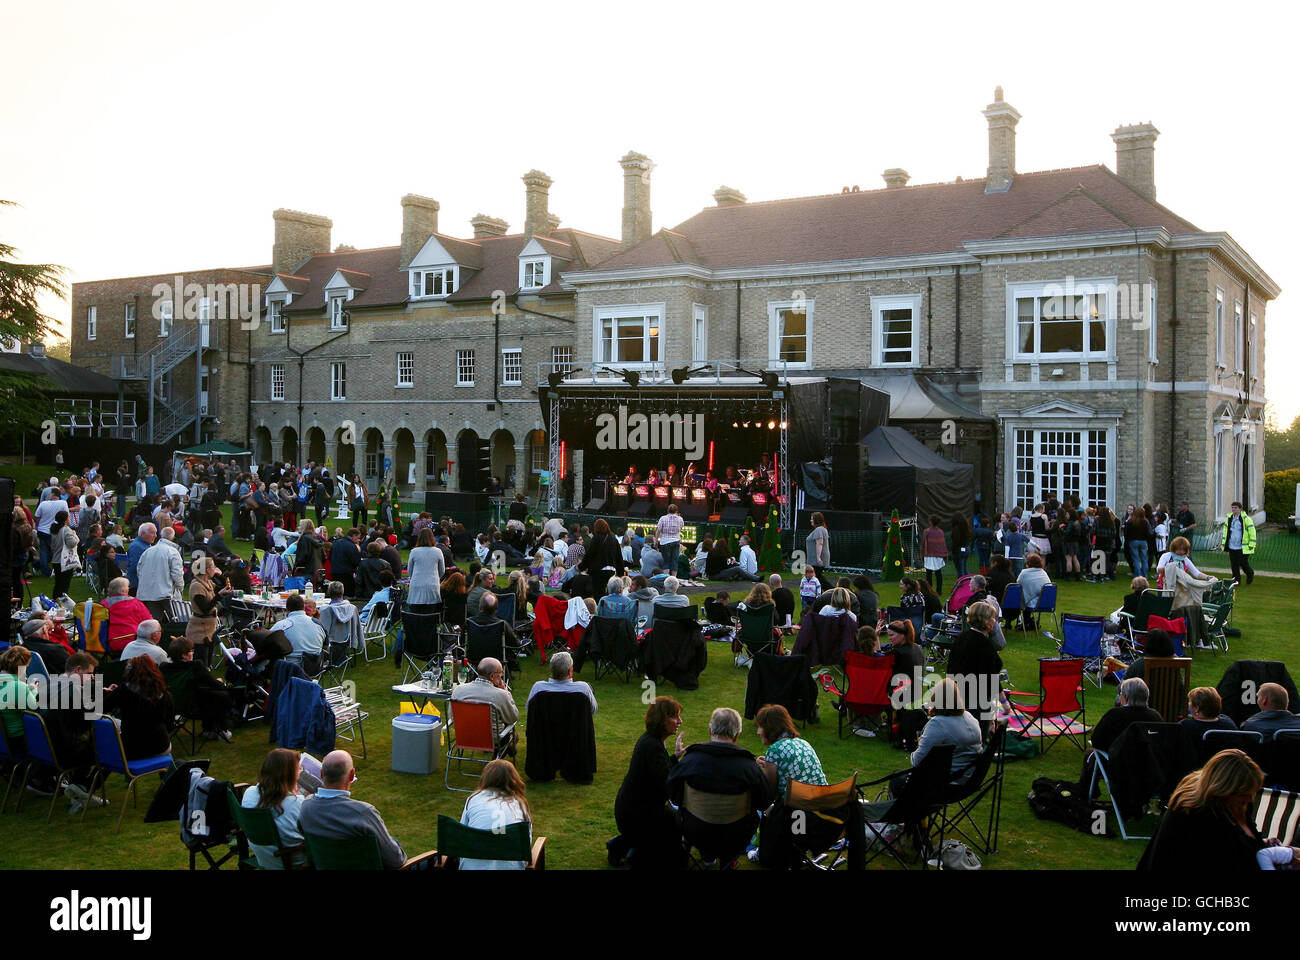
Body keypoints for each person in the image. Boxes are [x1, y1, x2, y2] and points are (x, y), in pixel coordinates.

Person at [1138, 750, 1292, 872]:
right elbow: (1229, 860)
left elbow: (1242, 847)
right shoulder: (1198, 818)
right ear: (1224, 790)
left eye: (1254, 792)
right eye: (1244, 795)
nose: (1251, 799)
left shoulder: (1235, 805)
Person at [666, 707, 772, 866]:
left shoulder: (690, 761)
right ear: (736, 736)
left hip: (695, 831)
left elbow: (673, 795)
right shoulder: (749, 768)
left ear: (710, 731)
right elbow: (764, 801)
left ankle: (708, 856)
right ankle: (728, 860)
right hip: (736, 835)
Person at [298, 750, 411, 870]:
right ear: (351, 775)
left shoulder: (306, 807)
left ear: (321, 774)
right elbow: (396, 860)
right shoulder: (363, 813)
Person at [612, 696, 686, 869]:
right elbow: (668, 785)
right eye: (675, 716)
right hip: (637, 816)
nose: (679, 721)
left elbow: (659, 773)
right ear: (662, 719)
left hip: (632, 810)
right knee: (679, 823)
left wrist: (674, 757)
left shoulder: (650, 741)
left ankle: (626, 847)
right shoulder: (652, 747)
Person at [1079, 677, 1163, 797]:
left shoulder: (1115, 715)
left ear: (1126, 697)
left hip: (1121, 767)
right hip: (1150, 768)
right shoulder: (1155, 716)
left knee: (1091, 753)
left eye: (1121, 694)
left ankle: (1086, 794)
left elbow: (1096, 740)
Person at [455, 759, 533, 870]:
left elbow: (461, 837)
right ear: (513, 779)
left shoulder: (473, 799)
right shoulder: (520, 804)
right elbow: (527, 843)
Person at [240, 748, 309, 869]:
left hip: (264, 857)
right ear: (288, 775)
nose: (299, 773)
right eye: (298, 770)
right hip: (291, 860)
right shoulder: (296, 803)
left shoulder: (249, 793)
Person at [907, 677, 983, 785]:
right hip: (971, 780)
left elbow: (917, 761)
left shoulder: (938, 724)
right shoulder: (970, 718)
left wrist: (920, 745)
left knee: (897, 782)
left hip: (947, 783)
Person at [946, 601, 1002, 738]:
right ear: (985, 621)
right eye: (992, 618)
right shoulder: (984, 645)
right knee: (978, 736)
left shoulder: (962, 637)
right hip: (978, 698)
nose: (994, 621)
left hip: (958, 693)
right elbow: (991, 677)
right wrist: (1004, 703)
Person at [164, 637, 233, 741]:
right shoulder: (195, 666)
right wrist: (221, 683)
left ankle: (210, 730)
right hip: (195, 707)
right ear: (184, 654)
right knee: (222, 695)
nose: (193, 653)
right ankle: (219, 730)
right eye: (191, 651)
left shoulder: (165, 668)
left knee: (210, 694)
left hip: (175, 706)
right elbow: (213, 683)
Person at [104, 655, 173, 760]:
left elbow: (99, 709)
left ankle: (92, 776)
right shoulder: (162, 692)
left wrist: (103, 691)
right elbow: (170, 724)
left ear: (129, 672)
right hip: (161, 746)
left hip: (132, 750)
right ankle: (168, 775)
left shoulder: (124, 690)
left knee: (108, 746)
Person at [755, 703, 826, 797]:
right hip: (822, 800)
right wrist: (771, 764)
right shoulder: (803, 742)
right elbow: (798, 769)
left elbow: (768, 790)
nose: (758, 732)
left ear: (769, 728)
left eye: (760, 727)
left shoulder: (775, 750)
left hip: (797, 808)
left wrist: (755, 771)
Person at [452, 657, 519, 756]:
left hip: (464, 736)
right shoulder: (501, 695)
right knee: (514, 735)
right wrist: (505, 691)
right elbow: (513, 718)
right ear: (492, 676)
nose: (501, 679)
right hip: (492, 739)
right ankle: (505, 750)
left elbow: (452, 716)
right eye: (500, 676)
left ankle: (506, 749)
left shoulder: (458, 690)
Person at [527, 650, 597, 713]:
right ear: (570, 671)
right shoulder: (583, 689)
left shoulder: (538, 688)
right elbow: (593, 710)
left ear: (552, 670)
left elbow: (529, 709)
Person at [279, 594, 326, 673]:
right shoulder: (318, 624)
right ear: (303, 608)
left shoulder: (280, 626)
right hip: (314, 668)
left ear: (286, 609)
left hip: (290, 670)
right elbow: (325, 644)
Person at [405, 528, 445, 611]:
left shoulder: (414, 551)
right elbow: (442, 571)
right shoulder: (438, 551)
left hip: (417, 585)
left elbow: (409, 571)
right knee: (430, 615)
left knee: (416, 614)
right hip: (432, 585)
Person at [1220, 500, 1256, 586]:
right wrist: (1224, 543)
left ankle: (1250, 573)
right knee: (1234, 565)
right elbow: (1225, 532)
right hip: (1232, 545)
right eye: (1232, 508)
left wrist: (1252, 544)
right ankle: (1236, 580)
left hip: (1242, 546)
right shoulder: (1229, 519)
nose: (1233, 510)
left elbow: (1252, 532)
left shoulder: (1246, 519)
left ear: (1240, 509)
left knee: (1243, 563)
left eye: (1235, 508)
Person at [1014, 554, 1052, 630]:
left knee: (1023, 599)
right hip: (1046, 602)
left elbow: (1018, 585)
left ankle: (1026, 622)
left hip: (1032, 603)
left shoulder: (1024, 573)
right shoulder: (1044, 573)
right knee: (1028, 598)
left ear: (1028, 563)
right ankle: (1030, 622)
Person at [920, 515, 948, 594]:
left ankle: (929, 590)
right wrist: (944, 554)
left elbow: (924, 543)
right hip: (938, 555)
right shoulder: (940, 531)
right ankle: (939, 591)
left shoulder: (927, 531)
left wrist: (923, 554)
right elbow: (943, 544)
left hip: (929, 555)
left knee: (929, 573)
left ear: (931, 522)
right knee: (938, 573)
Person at [805, 512, 831, 590]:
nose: (810, 520)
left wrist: (818, 558)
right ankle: (821, 593)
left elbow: (819, 543)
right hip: (815, 558)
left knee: (818, 577)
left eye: (812, 519)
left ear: (816, 520)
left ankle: (831, 590)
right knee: (817, 577)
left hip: (816, 559)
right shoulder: (821, 529)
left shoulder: (819, 529)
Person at [655, 504, 684, 574]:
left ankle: (666, 578)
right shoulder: (680, 519)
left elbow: (658, 530)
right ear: (676, 511)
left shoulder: (663, 518)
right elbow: (680, 528)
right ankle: (674, 578)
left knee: (666, 561)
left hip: (665, 541)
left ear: (668, 510)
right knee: (675, 560)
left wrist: (656, 540)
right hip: (676, 540)